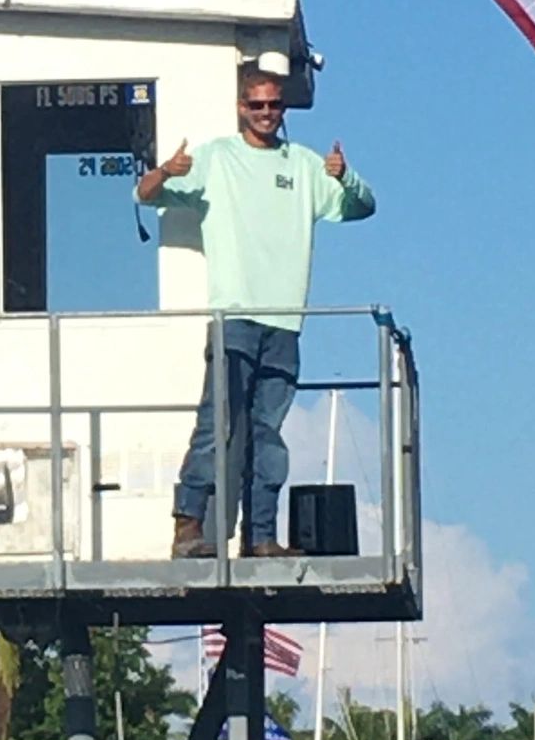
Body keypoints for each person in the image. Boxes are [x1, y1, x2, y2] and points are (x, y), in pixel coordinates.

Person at [136, 63, 374, 557]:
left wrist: (346, 176)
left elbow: (363, 207)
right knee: (217, 422)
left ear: (283, 110)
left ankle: (261, 536)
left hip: (285, 322)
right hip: (233, 318)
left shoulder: (306, 165)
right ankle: (188, 526)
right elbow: (143, 194)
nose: (266, 113)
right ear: (242, 107)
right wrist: (166, 171)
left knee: (268, 433)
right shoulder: (215, 158)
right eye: (257, 105)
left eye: (274, 105)